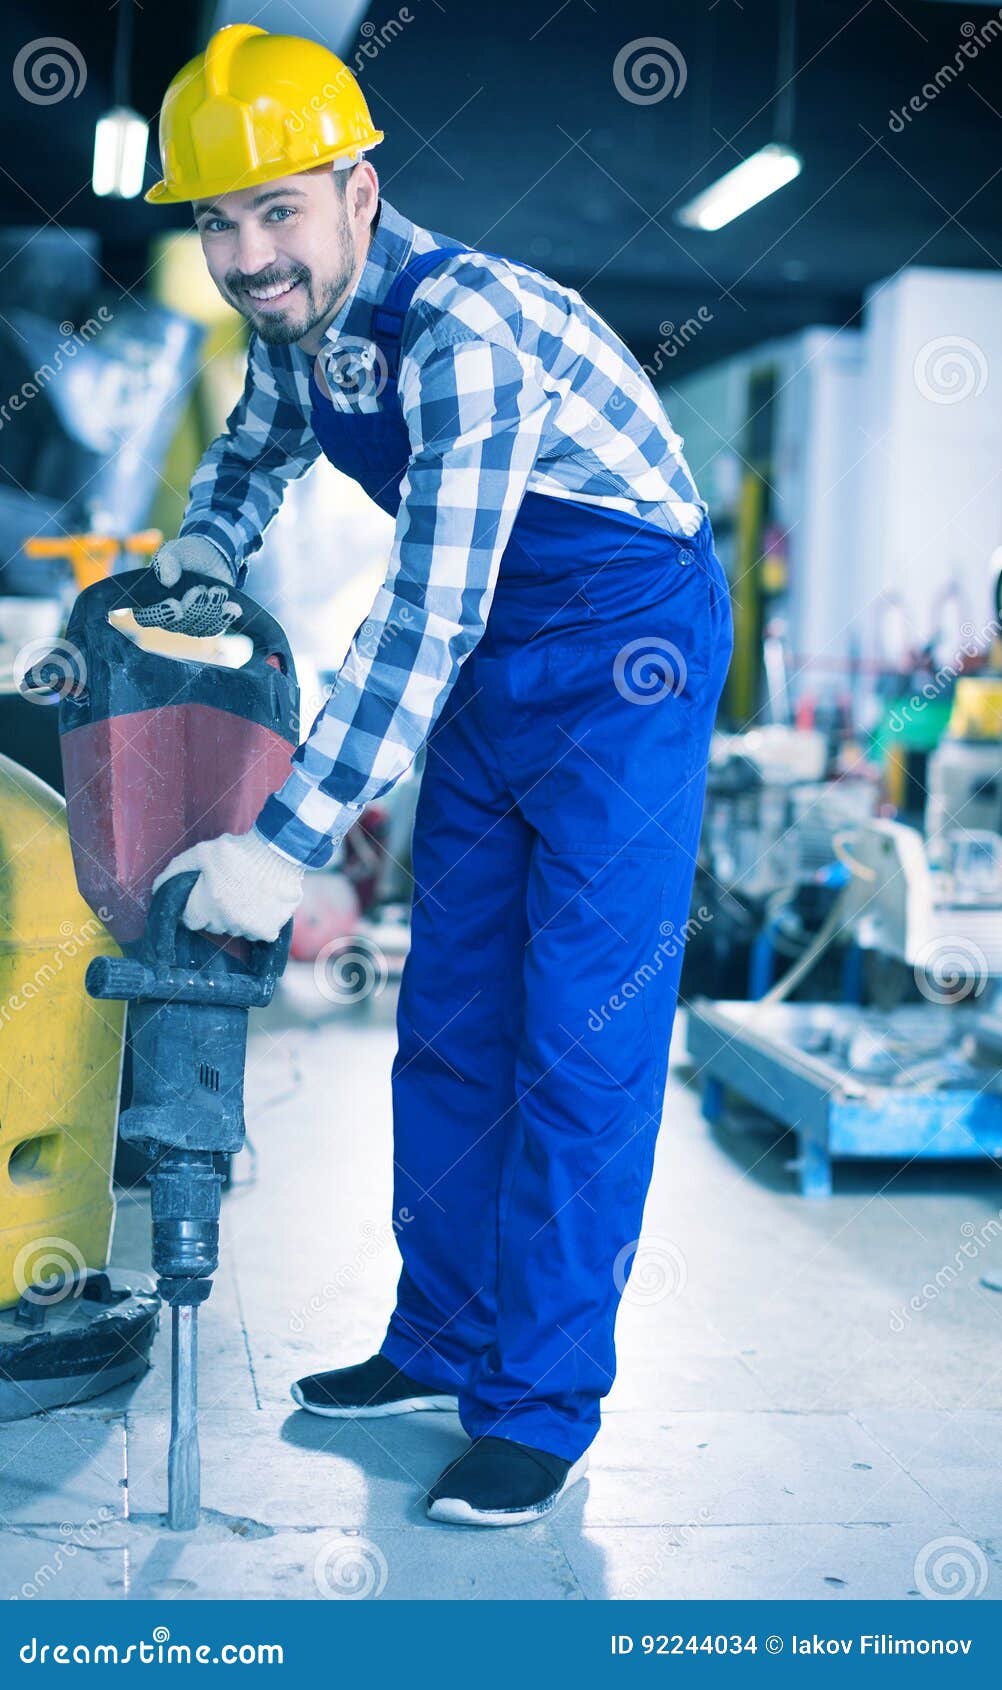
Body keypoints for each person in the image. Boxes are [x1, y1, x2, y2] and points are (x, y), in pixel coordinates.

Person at [148, 23, 733, 1528]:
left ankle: (536, 1403)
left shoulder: (465, 327)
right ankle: (437, 1336)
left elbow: (427, 609)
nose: (247, 253)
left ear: (358, 187)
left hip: (622, 654)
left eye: (277, 210)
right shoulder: (304, 324)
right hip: (494, 663)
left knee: (579, 1037)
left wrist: (288, 840)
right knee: (455, 1010)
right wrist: (208, 538)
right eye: (217, 220)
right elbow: (261, 438)